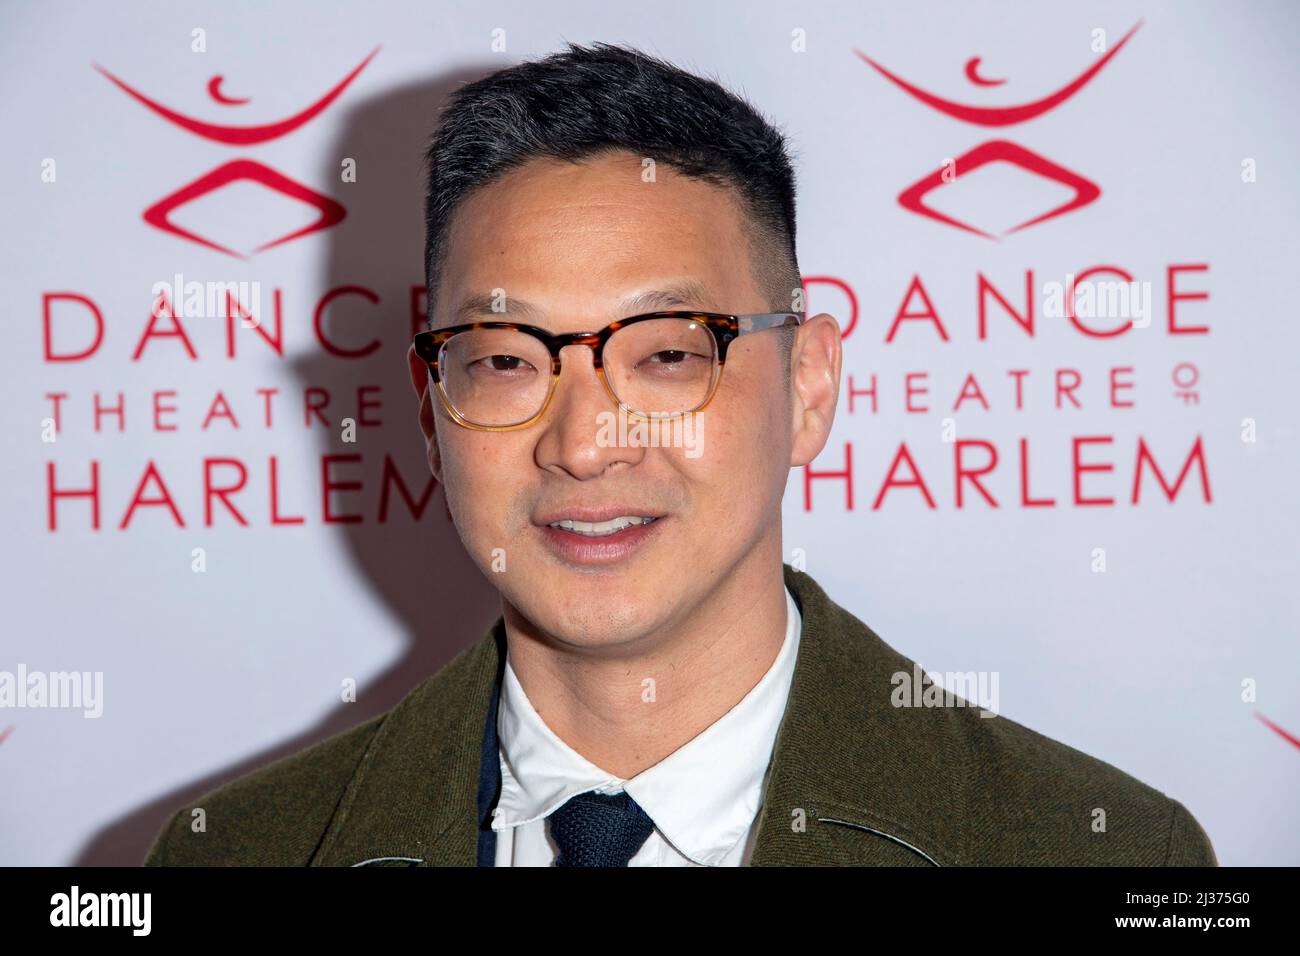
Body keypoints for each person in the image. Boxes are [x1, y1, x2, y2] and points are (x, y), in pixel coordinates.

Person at [144, 42, 1216, 867]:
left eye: (664, 354)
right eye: (507, 360)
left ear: (807, 386)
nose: (581, 443)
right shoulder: (236, 850)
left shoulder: (1099, 848)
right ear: (431, 410)